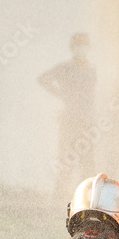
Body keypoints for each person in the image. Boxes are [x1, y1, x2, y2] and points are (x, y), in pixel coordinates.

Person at [38, 33, 96, 196]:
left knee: (87, 161)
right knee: (66, 158)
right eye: (78, 45)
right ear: (73, 48)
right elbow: (43, 79)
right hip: (69, 120)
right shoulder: (65, 68)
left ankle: (87, 196)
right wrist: (60, 94)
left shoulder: (92, 70)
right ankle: (60, 194)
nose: (81, 49)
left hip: (87, 121)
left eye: (84, 45)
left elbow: (92, 97)